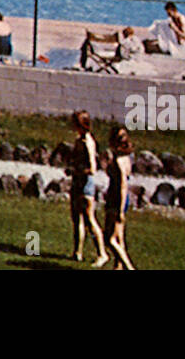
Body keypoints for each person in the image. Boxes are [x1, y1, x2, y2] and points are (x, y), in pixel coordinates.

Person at [67, 111, 107, 266]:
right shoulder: (79, 140)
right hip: (77, 182)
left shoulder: (88, 142)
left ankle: (102, 254)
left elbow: (92, 168)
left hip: (85, 184)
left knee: (90, 220)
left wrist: (77, 171)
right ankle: (77, 252)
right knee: (76, 219)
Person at [102, 125, 137, 270]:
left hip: (116, 198)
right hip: (121, 198)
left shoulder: (118, 161)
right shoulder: (127, 158)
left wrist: (121, 210)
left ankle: (129, 267)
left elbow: (122, 185)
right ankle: (118, 266)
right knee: (119, 236)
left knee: (109, 239)